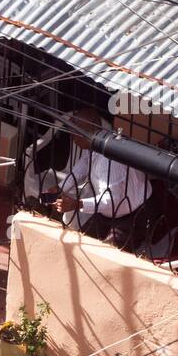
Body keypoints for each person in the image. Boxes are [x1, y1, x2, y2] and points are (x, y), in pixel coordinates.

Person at [46, 108, 153, 251]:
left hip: (131, 215)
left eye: (74, 133)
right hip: (107, 213)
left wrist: (76, 204)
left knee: (107, 254)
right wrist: (61, 188)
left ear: (87, 132)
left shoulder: (108, 161)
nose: (71, 137)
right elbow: (84, 164)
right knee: (83, 245)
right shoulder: (94, 141)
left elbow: (111, 200)